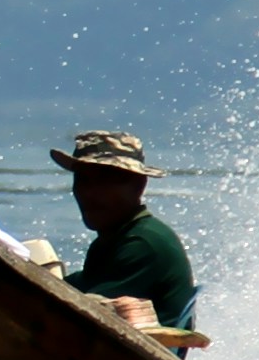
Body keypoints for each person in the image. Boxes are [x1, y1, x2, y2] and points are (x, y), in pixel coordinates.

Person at [51, 130, 198, 338]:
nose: (89, 193)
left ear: (138, 185)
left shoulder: (142, 244)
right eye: (83, 180)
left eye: (105, 181)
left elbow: (81, 312)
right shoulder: (113, 239)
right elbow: (83, 284)